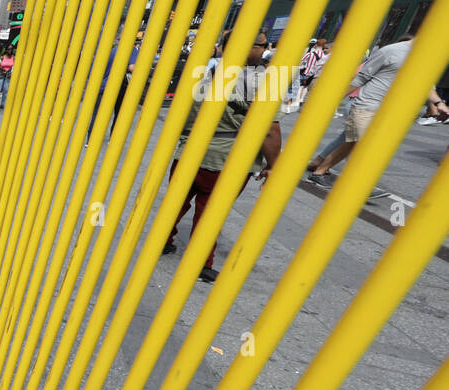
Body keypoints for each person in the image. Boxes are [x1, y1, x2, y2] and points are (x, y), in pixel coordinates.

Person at [165, 30, 280, 283]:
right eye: (262, 45)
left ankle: (163, 240)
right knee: (210, 211)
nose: (265, 50)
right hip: (226, 160)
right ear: (247, 47)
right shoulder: (259, 83)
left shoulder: (203, 75)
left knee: (177, 202)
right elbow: (270, 131)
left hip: (187, 153)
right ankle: (200, 263)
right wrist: (273, 165)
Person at [309, 21, 444, 183]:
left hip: (390, 110)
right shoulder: (390, 51)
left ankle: (320, 169)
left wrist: (438, 103)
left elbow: (426, 84)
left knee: (351, 142)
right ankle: (356, 182)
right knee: (361, 143)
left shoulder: (424, 58)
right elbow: (361, 77)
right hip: (366, 104)